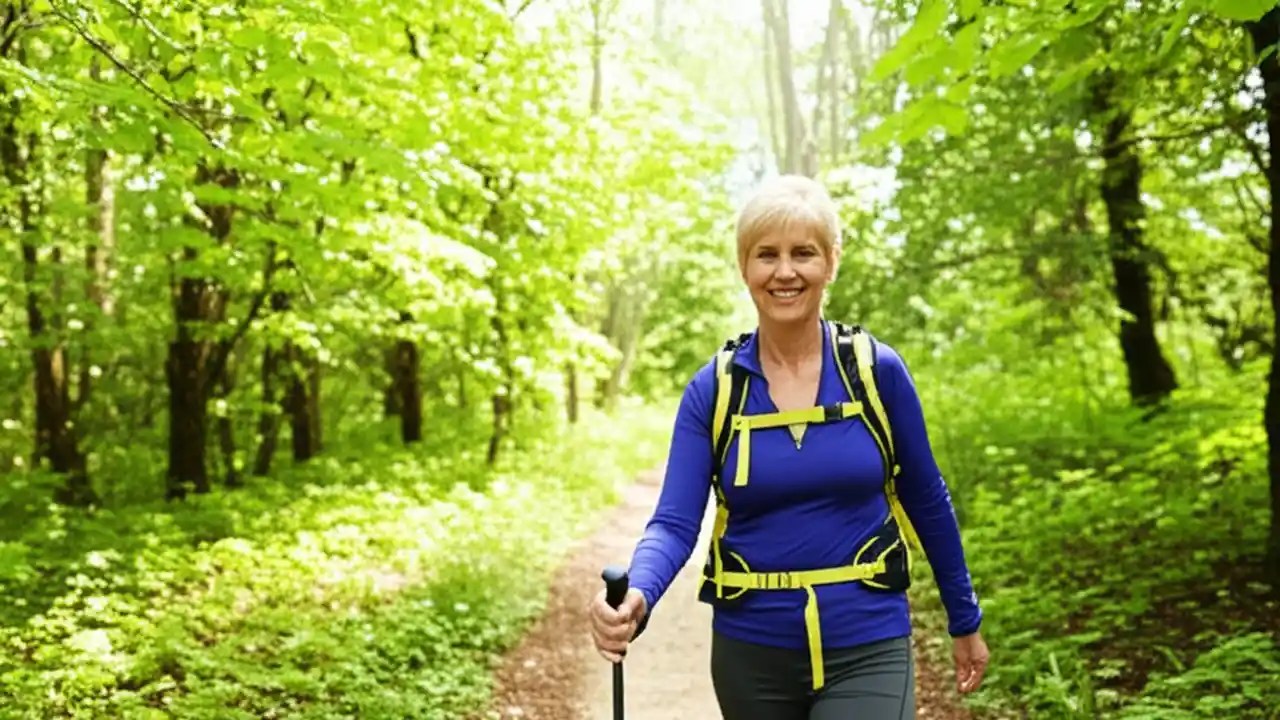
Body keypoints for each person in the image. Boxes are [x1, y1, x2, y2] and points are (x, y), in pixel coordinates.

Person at [586, 174, 989, 719]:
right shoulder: (715, 390)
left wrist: (964, 616)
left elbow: (926, 497)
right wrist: (639, 592)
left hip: (869, 644)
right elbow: (675, 523)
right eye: (766, 255)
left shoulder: (875, 372)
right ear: (744, 266)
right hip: (752, 656)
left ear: (831, 262)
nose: (784, 272)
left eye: (803, 253)